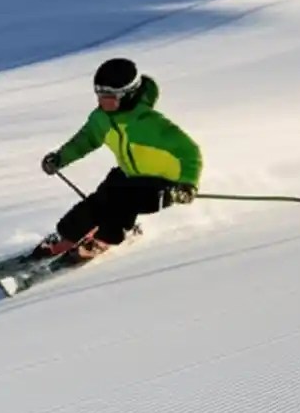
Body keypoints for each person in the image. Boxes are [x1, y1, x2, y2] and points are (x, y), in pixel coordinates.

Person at [35, 58, 203, 263]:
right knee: (100, 199)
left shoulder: (150, 123)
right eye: (100, 96)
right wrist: (60, 158)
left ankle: (104, 239)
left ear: (128, 94)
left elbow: (190, 152)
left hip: (162, 184)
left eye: (110, 98)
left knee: (122, 202)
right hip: (128, 174)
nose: (103, 103)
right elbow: (85, 140)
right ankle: (66, 236)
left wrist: (187, 185)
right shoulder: (102, 118)